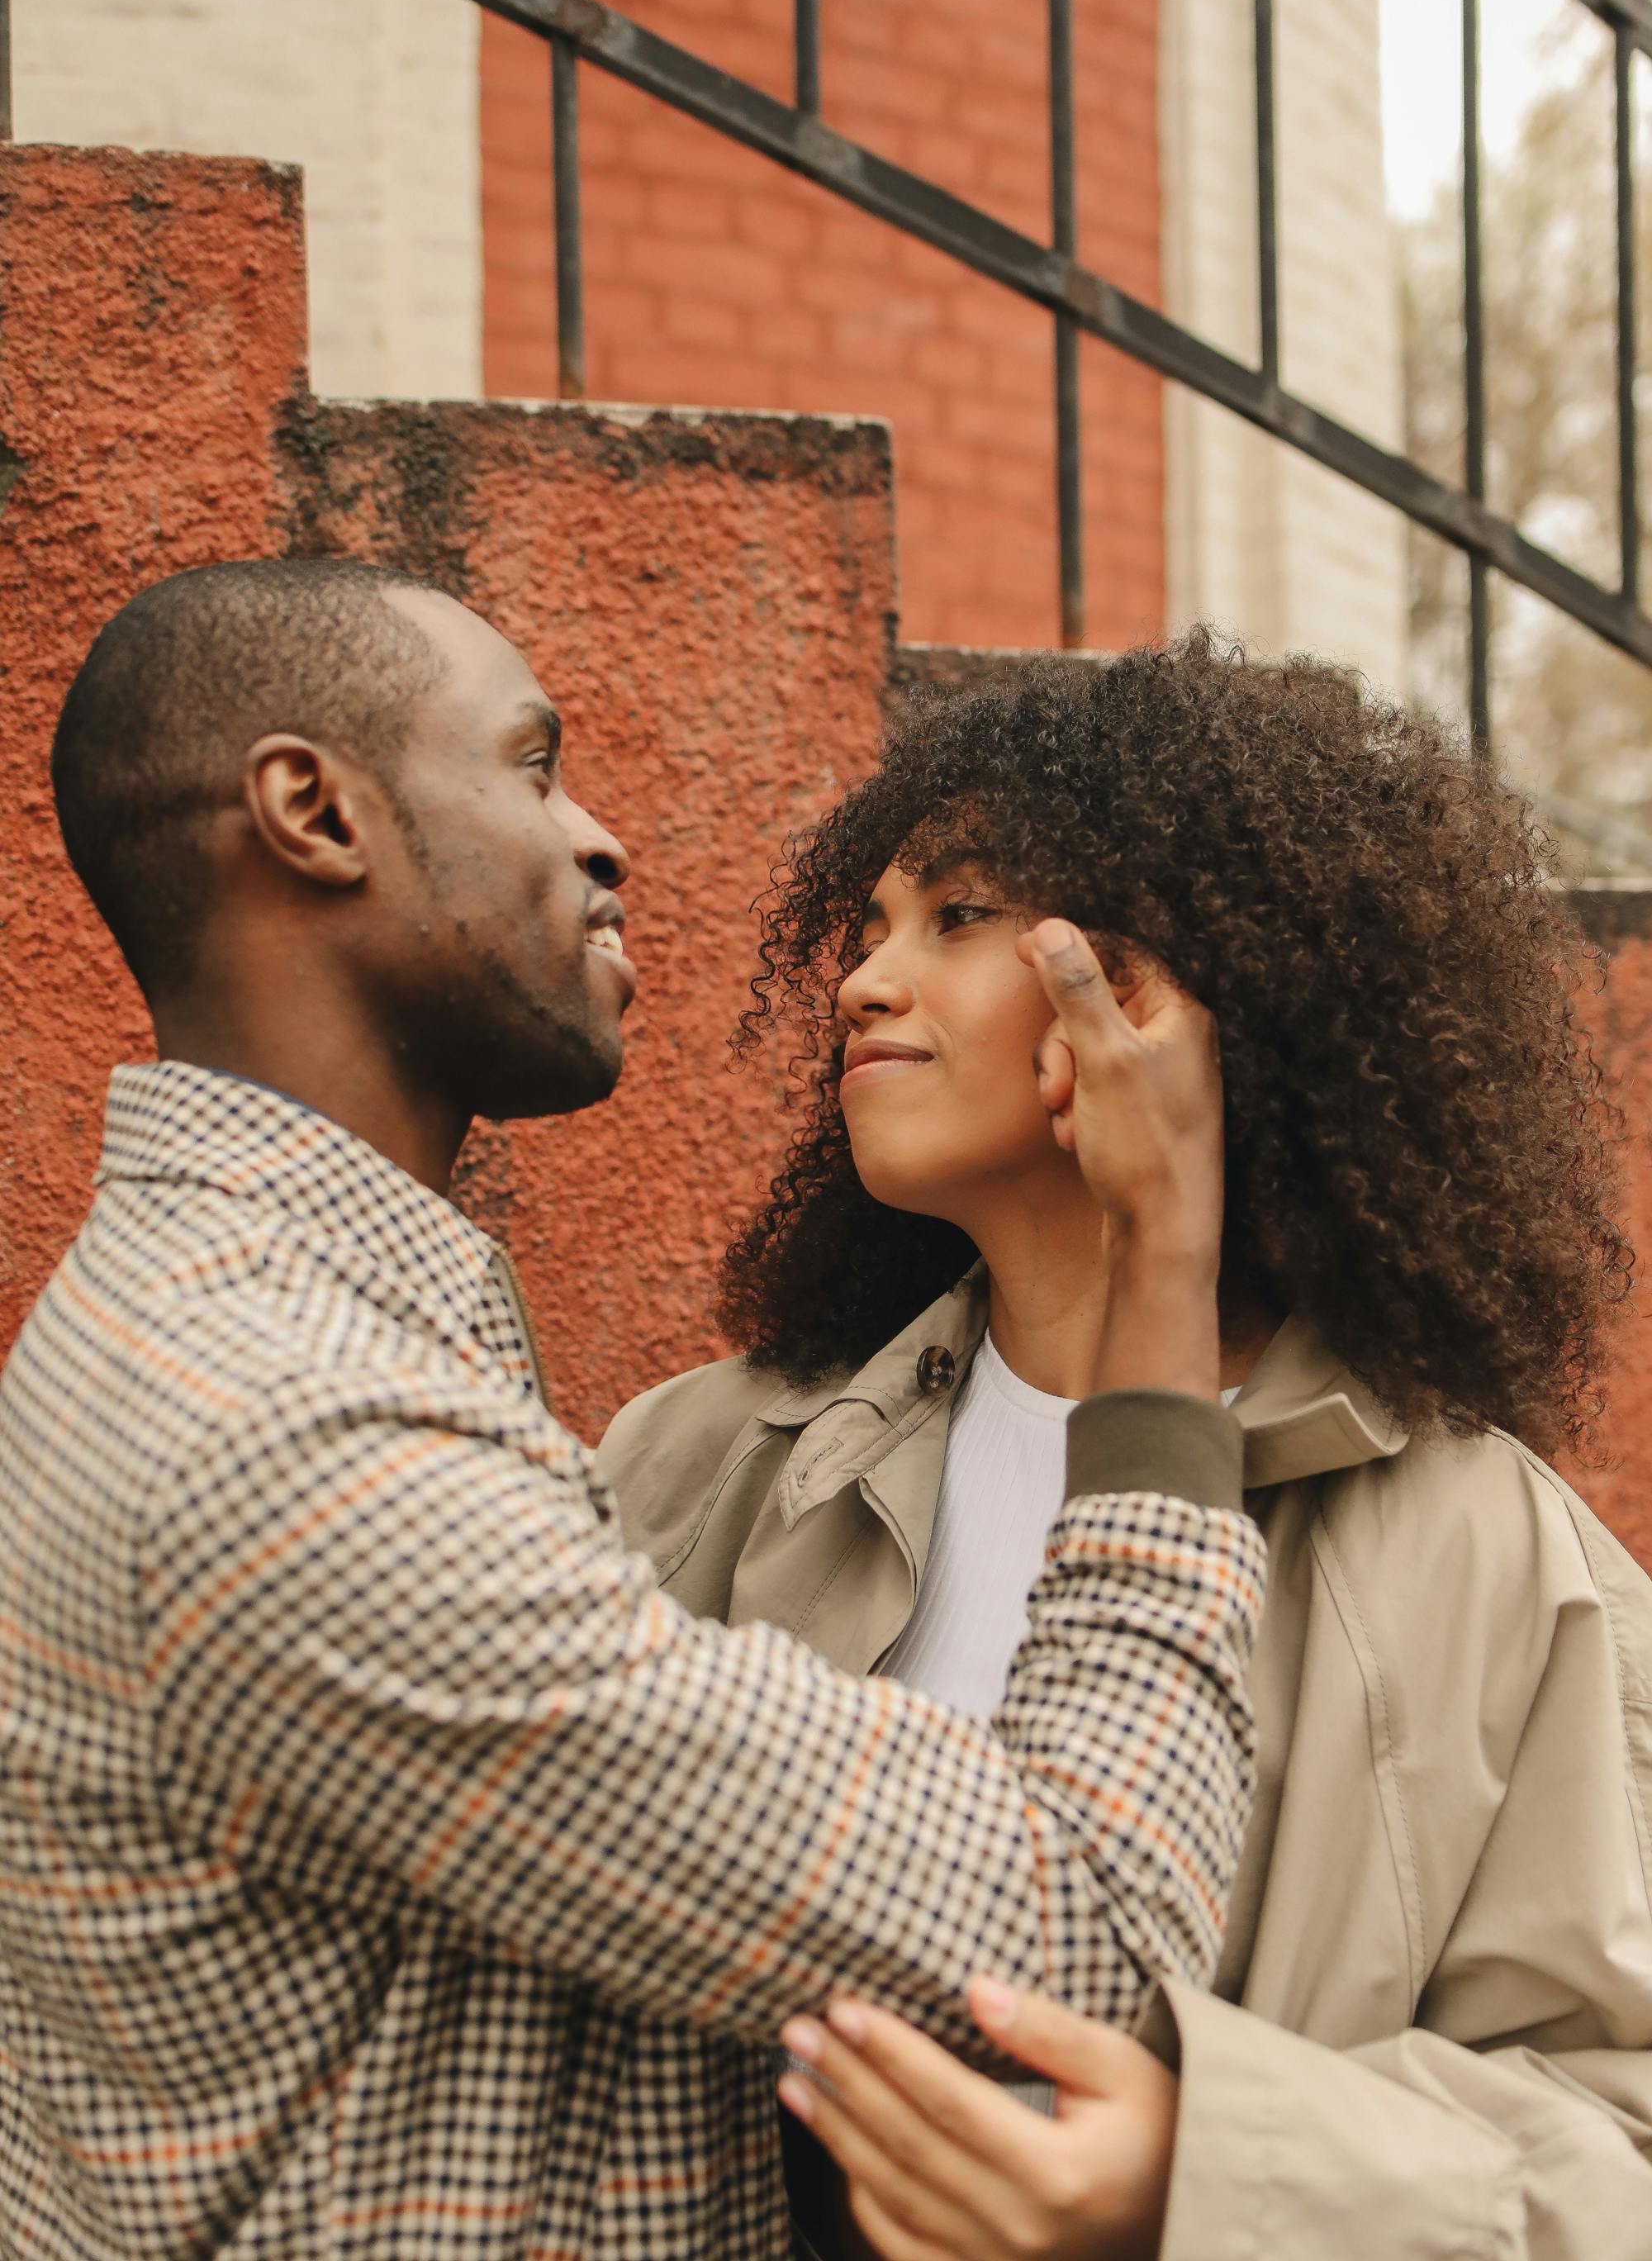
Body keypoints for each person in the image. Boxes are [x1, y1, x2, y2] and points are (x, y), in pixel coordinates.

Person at [0, 558, 1266, 2261]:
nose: (602, 838)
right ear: (312, 811)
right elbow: (1082, 1936)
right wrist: (1160, 1289)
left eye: (956, 917)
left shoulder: (260, 1326)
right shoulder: (294, 1441)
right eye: (530, 766)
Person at [599, 634, 1652, 2261]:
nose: (864, 981)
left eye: (956, 917)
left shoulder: (1490, 1553)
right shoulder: (706, 1461)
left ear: (1164, 985)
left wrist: (1204, 2170)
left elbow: (1612, 2132)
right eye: (870, 927)